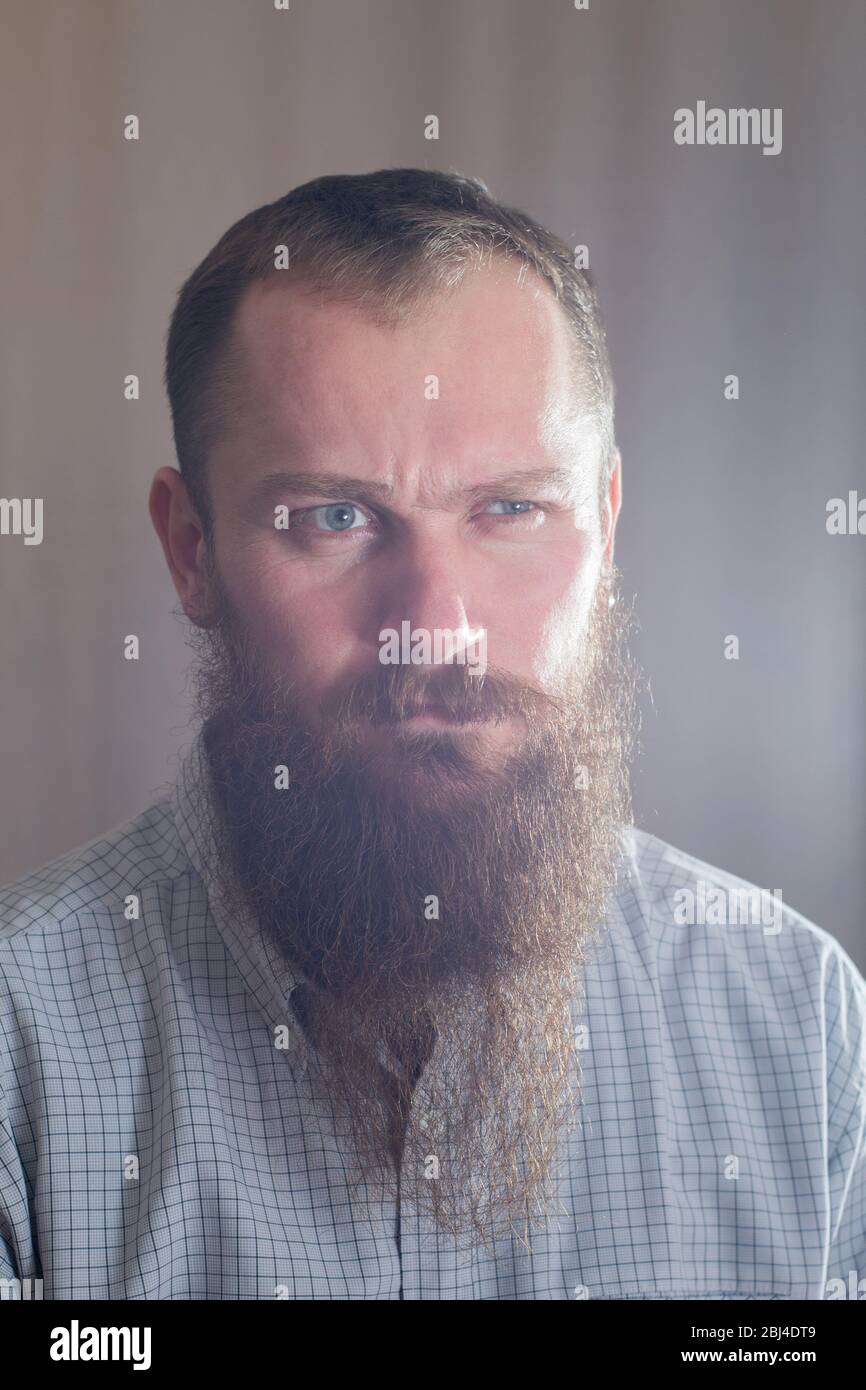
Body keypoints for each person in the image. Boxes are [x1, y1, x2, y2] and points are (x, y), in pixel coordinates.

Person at [1, 169, 864, 1300]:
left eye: (509, 509)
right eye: (333, 518)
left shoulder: (798, 1023)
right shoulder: (21, 1052)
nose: (433, 631)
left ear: (603, 530)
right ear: (191, 549)